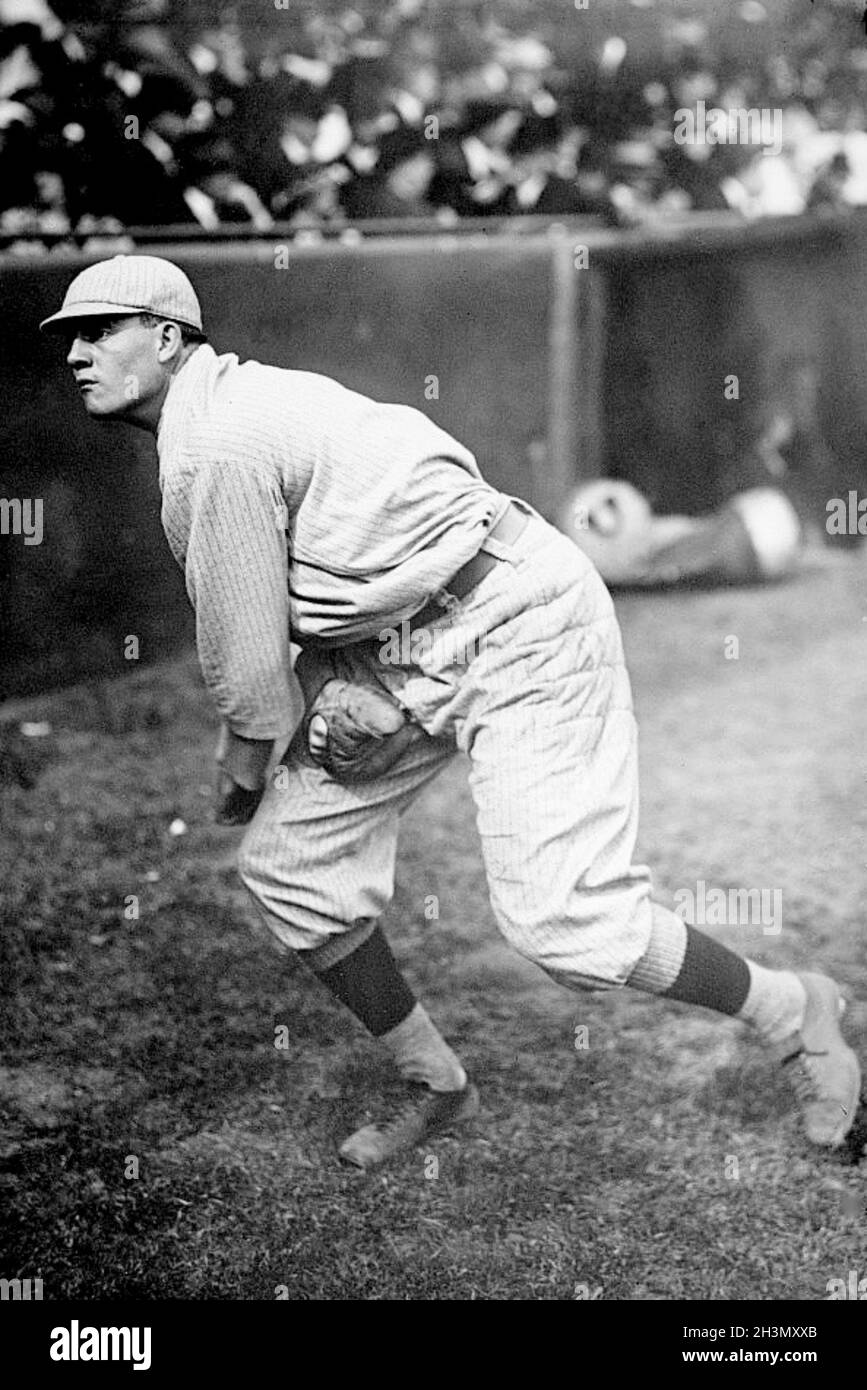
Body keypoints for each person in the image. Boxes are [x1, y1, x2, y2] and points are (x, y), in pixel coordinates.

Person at [40, 255, 863, 1170]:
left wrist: (246, 763)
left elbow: (247, 663)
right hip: (406, 638)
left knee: (562, 921)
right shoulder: (230, 410)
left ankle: (791, 1008)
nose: (77, 354)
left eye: (99, 330)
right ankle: (433, 1081)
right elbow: (330, 570)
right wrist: (338, 686)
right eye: (70, 336)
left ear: (166, 339)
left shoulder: (217, 442)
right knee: (291, 866)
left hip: (517, 621)